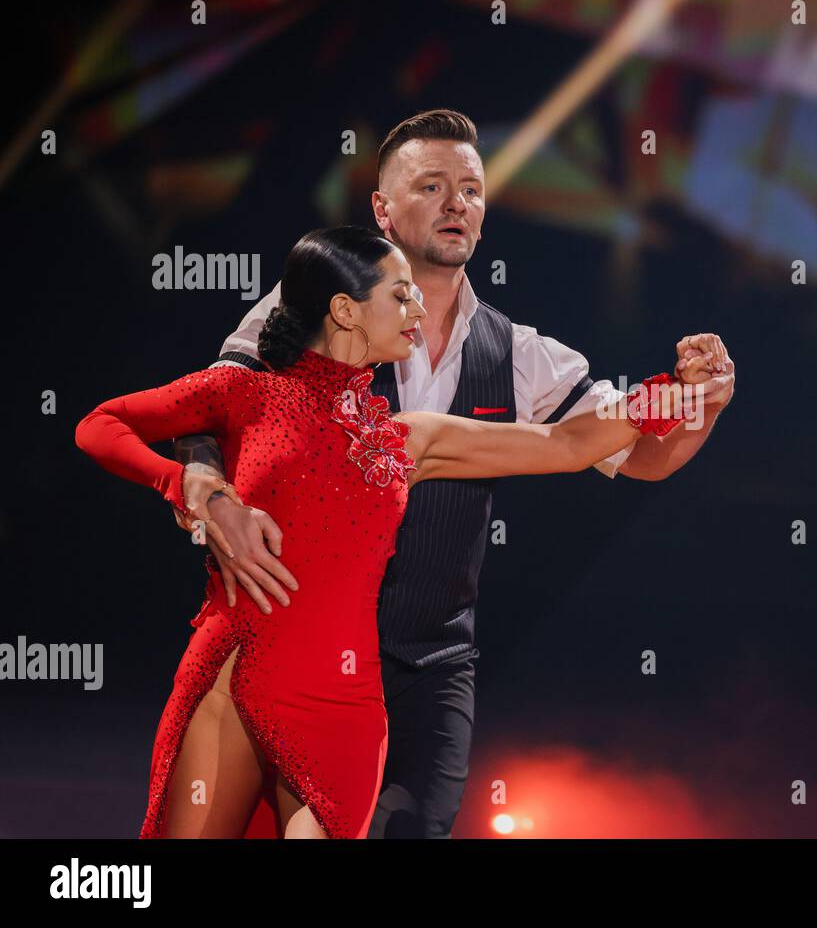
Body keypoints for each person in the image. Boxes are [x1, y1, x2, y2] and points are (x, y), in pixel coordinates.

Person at [172, 108, 736, 838]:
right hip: (303, 646)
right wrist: (209, 496)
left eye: (469, 188)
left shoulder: (520, 351)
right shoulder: (317, 312)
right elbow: (200, 411)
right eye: (431, 186)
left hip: (431, 663)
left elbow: (639, 455)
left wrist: (702, 401)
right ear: (381, 208)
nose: (455, 203)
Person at [75, 226, 710, 838]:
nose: (416, 307)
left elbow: (569, 442)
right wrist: (199, 491)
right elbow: (101, 425)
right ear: (346, 311)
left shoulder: (409, 437)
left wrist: (672, 397)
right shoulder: (246, 391)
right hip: (232, 679)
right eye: (400, 295)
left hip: (343, 707)